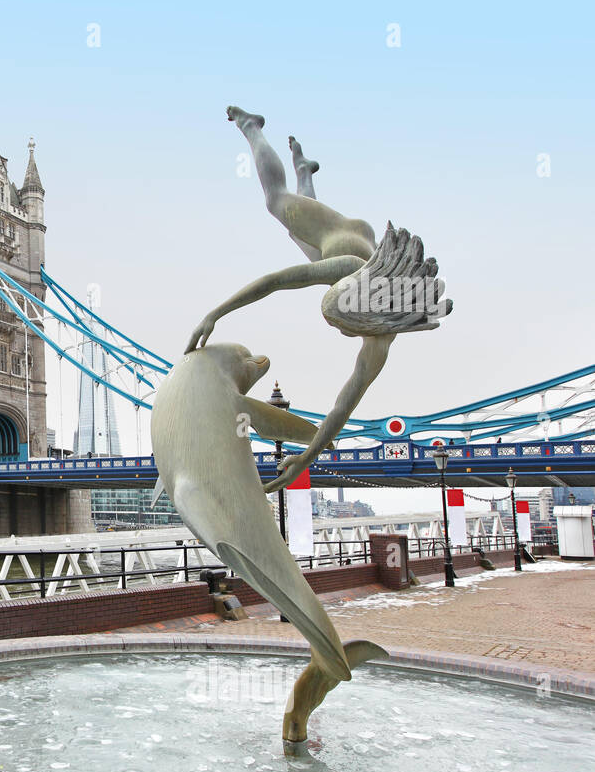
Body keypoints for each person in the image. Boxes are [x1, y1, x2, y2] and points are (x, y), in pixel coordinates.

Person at [187, 107, 451, 492]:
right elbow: (275, 281)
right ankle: (251, 126)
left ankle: (305, 172)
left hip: (356, 242)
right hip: (346, 235)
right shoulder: (346, 267)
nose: (336, 327)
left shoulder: (381, 338)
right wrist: (216, 314)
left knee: (302, 239)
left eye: (340, 325)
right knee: (277, 202)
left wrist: (306, 458)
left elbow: (342, 407)